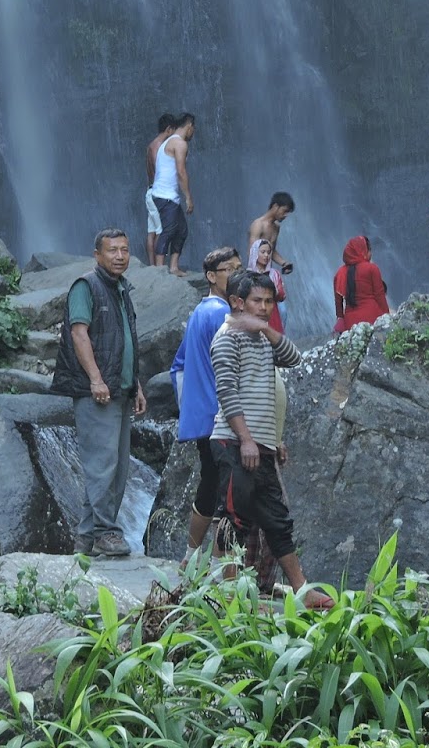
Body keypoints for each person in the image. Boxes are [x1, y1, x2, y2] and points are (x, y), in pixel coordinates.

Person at [208, 269, 332, 609]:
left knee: (278, 519)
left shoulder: (260, 337)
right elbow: (226, 392)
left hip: (260, 445)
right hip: (234, 443)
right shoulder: (226, 339)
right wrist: (246, 439)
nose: (265, 308)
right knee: (233, 516)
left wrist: (265, 329)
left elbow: (294, 357)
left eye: (269, 301)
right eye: (257, 302)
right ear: (236, 302)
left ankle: (303, 591)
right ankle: (226, 593)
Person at [49, 229, 145, 557]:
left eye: (125, 250)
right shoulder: (86, 286)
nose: (120, 256)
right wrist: (95, 379)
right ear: (97, 255)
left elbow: (126, 342)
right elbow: (79, 334)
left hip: (120, 389)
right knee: (102, 465)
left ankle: (86, 540)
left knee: (116, 468)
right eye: (112, 250)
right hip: (97, 392)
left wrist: (137, 385)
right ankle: (106, 532)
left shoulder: (120, 289)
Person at [167, 245, 243, 563]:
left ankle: (193, 557)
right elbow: (234, 368)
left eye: (240, 268)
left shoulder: (201, 311)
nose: (238, 275)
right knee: (226, 491)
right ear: (211, 276)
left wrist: (191, 410)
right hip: (220, 415)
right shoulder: (220, 314)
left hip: (205, 415)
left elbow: (179, 365)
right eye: (230, 270)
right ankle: (215, 564)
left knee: (211, 485)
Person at [150, 113, 195, 275]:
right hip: (165, 195)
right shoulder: (179, 144)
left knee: (181, 230)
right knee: (169, 230)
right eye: (193, 129)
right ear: (189, 126)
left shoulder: (167, 142)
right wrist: (188, 197)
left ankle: (173, 267)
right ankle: (160, 270)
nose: (193, 133)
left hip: (164, 194)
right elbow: (181, 172)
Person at [332, 234, 389, 333]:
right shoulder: (372, 268)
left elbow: (338, 306)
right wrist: (387, 318)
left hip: (350, 324)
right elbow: (380, 297)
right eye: (369, 250)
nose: (370, 254)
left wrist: (341, 321)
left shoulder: (339, 274)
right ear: (362, 251)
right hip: (373, 317)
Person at [144, 113, 177, 265]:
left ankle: (152, 267)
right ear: (169, 129)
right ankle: (159, 267)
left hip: (150, 191)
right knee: (162, 230)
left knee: (152, 231)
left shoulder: (151, 145)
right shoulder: (159, 147)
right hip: (158, 194)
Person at [247, 192, 296, 274]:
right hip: (255, 274)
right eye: (285, 211)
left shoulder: (276, 227)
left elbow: (271, 251)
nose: (286, 215)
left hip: (267, 273)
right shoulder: (258, 225)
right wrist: (258, 275)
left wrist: (284, 263)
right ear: (275, 206)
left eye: (288, 213)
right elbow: (251, 253)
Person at [247, 239, 287, 334]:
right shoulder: (248, 274)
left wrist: (275, 291)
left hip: (272, 312)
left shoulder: (274, 274)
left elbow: (281, 295)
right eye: (263, 252)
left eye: (268, 252)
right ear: (255, 253)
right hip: (255, 313)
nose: (266, 255)